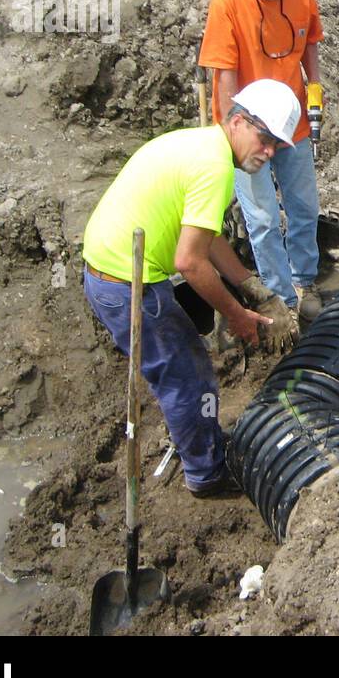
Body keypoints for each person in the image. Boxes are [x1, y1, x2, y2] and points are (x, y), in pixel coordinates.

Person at [82, 80, 300, 498]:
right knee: (189, 377)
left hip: (114, 267)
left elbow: (209, 237)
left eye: (277, 144)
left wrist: (250, 287)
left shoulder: (203, 147)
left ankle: (195, 441)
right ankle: (208, 474)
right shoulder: (215, 168)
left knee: (183, 368)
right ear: (238, 121)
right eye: (265, 137)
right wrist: (238, 316)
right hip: (126, 281)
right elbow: (190, 261)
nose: (269, 151)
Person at [200, 0, 325, 323]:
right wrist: (233, 135)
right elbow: (224, 74)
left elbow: (308, 44)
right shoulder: (227, 3)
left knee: (304, 206)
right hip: (248, 131)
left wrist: (315, 90)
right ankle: (281, 297)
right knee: (265, 219)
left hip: (293, 125)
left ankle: (304, 279)